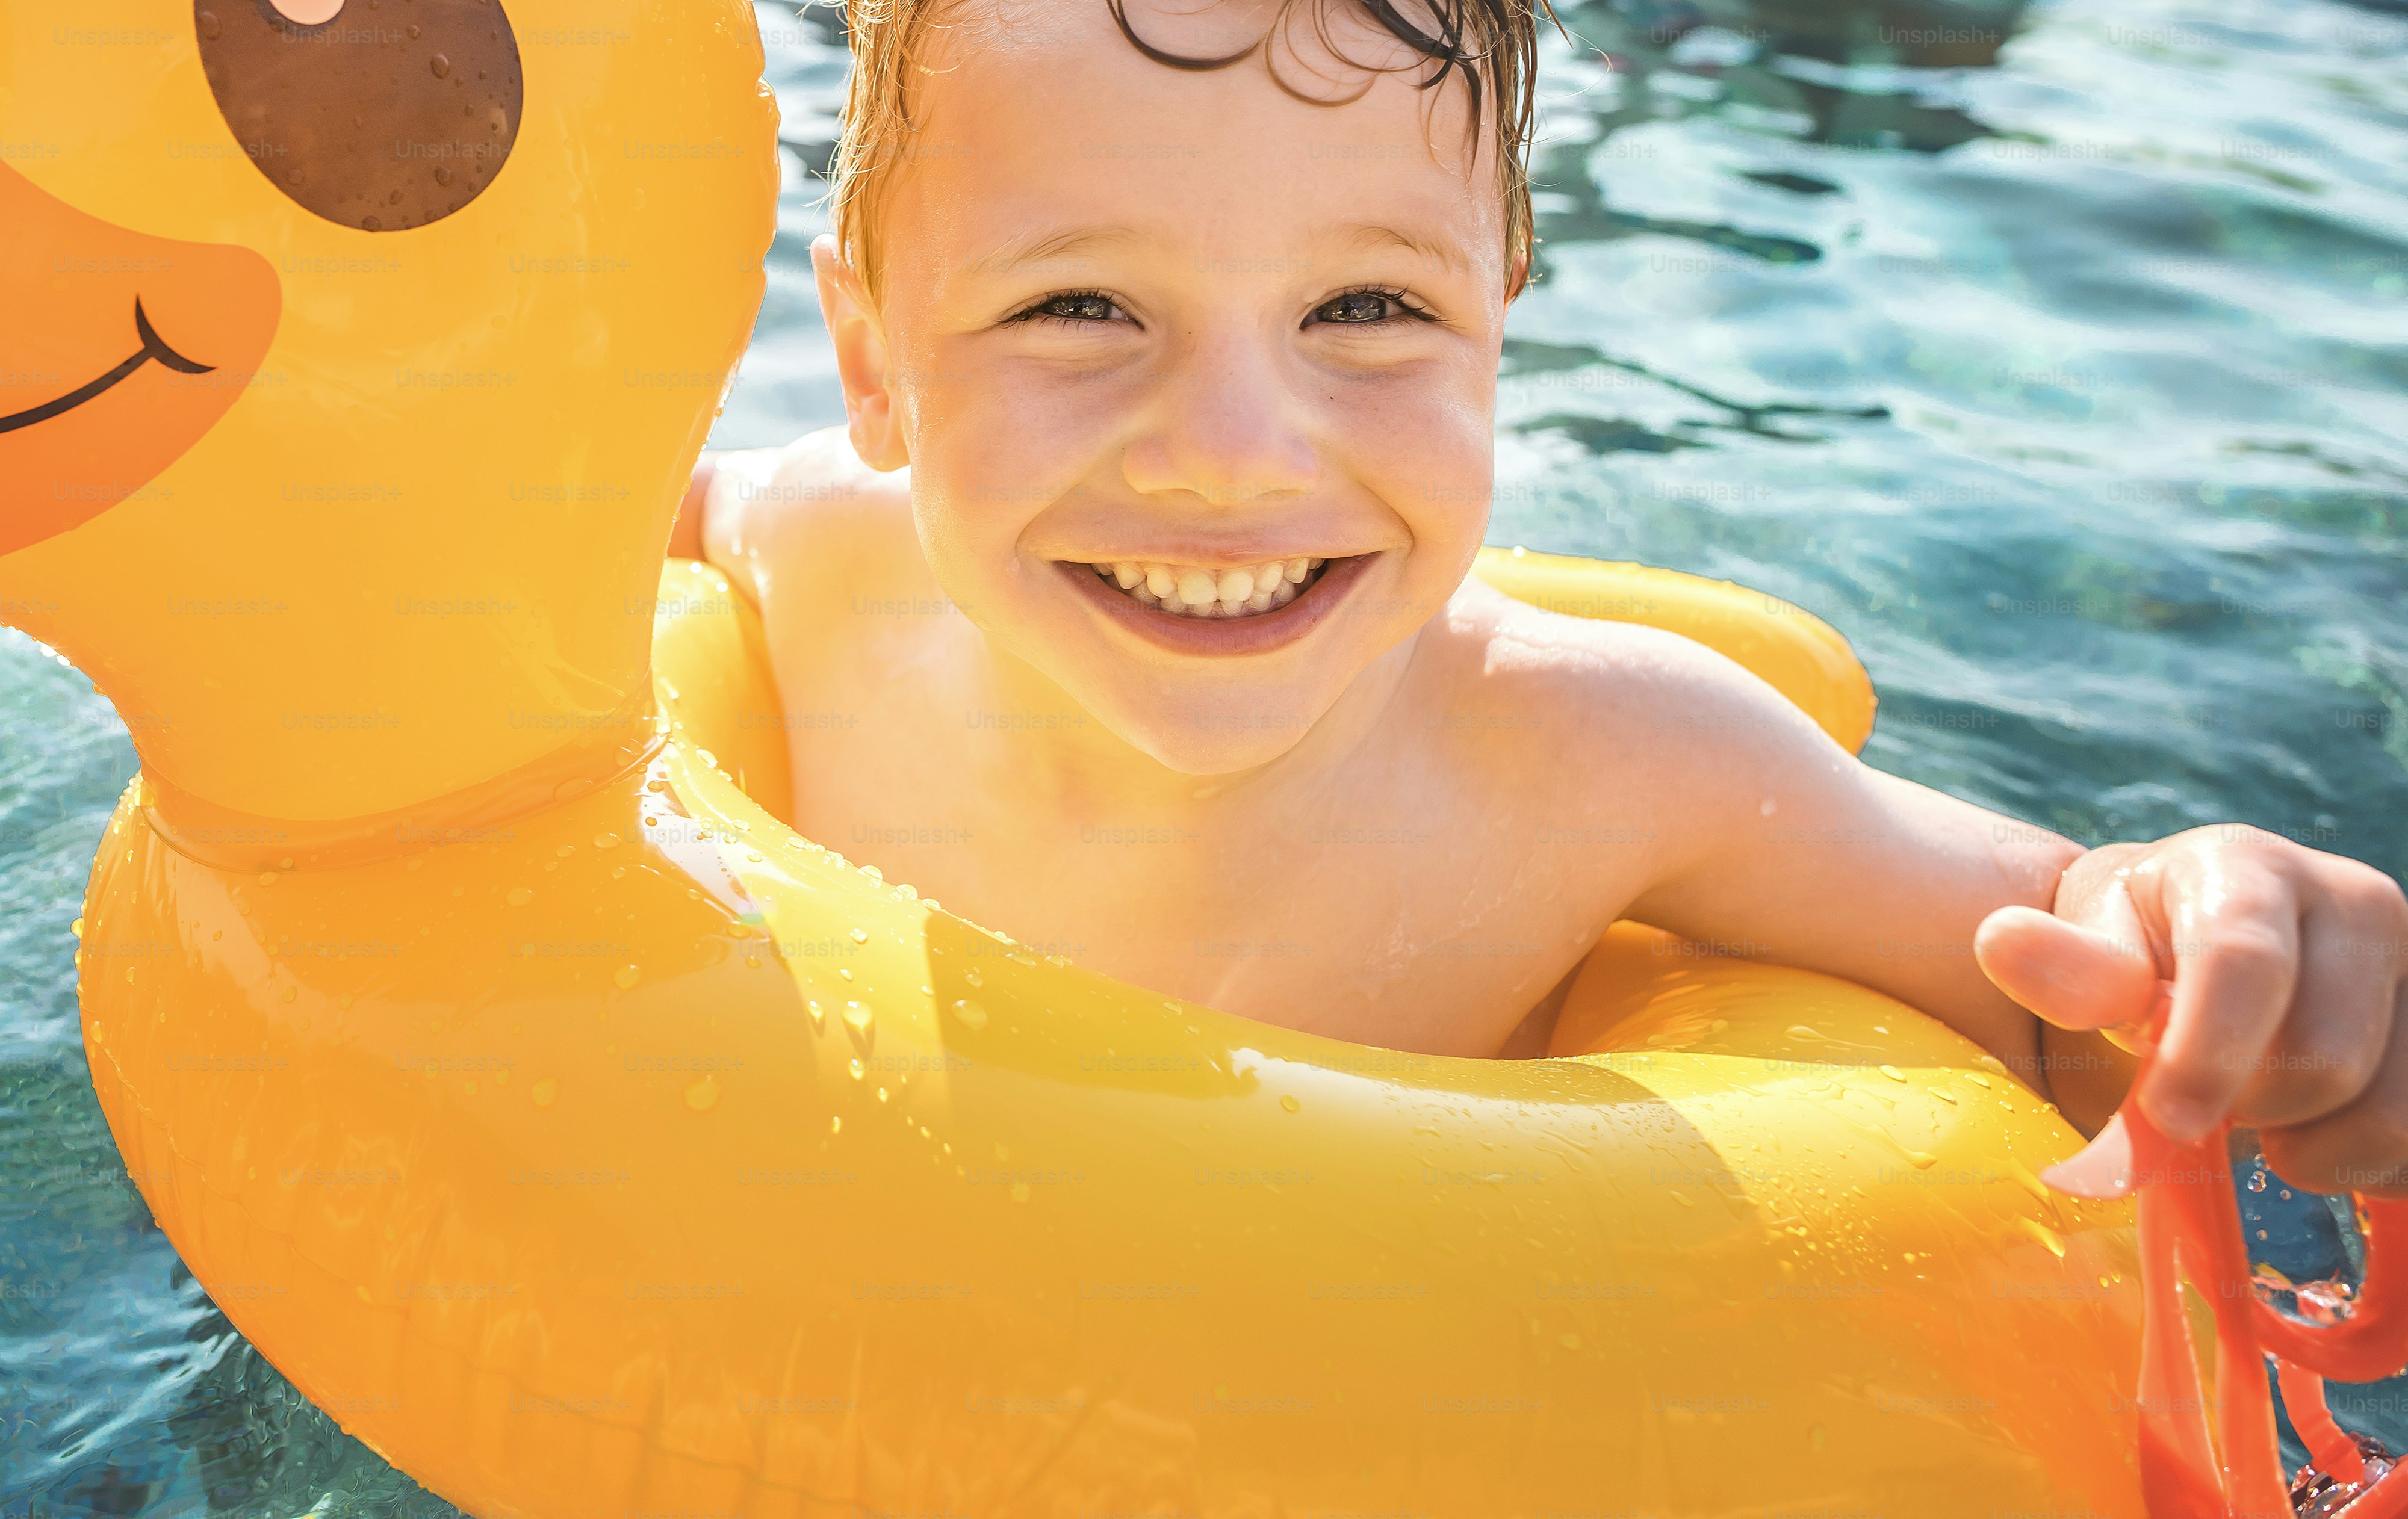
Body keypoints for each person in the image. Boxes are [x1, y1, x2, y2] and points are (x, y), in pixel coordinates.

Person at [667, 0, 2408, 1201]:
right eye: (1076, 309)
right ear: (871, 360)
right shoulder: (814, 563)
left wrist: (2248, 946)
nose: (1226, 456)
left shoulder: (1600, 759)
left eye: (1365, 308)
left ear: (1500, 316)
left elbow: (2057, 976)